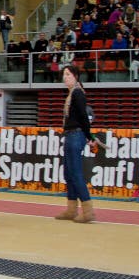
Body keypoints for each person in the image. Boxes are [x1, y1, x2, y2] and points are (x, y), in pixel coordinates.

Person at [56, 65, 98, 223]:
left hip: (75, 134)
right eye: (64, 74)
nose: (65, 77)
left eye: (68, 74)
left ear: (75, 76)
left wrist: (89, 136)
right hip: (70, 134)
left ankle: (88, 211)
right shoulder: (72, 94)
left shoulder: (78, 93)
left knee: (75, 173)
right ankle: (71, 209)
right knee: (68, 173)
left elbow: (83, 116)